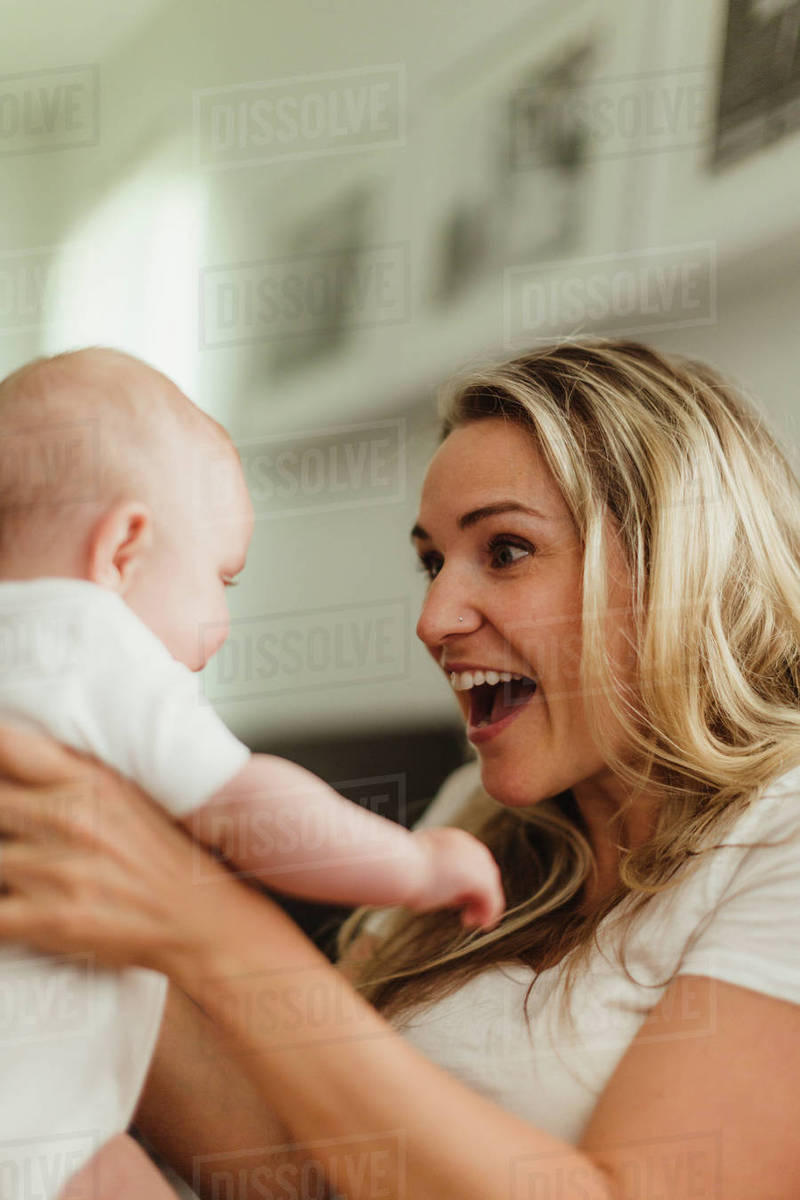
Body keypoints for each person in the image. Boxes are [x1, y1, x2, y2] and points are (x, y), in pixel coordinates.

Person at [0, 338, 798, 1200]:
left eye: (504, 550)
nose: (433, 618)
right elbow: (297, 1170)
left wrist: (208, 928)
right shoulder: (481, 816)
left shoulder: (780, 840)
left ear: (675, 564)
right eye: (431, 562)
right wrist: (67, 894)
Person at [0, 348, 503, 1200]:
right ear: (123, 547)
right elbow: (251, 806)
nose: (223, 624)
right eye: (220, 579)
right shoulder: (85, 637)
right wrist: (414, 865)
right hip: (42, 1111)